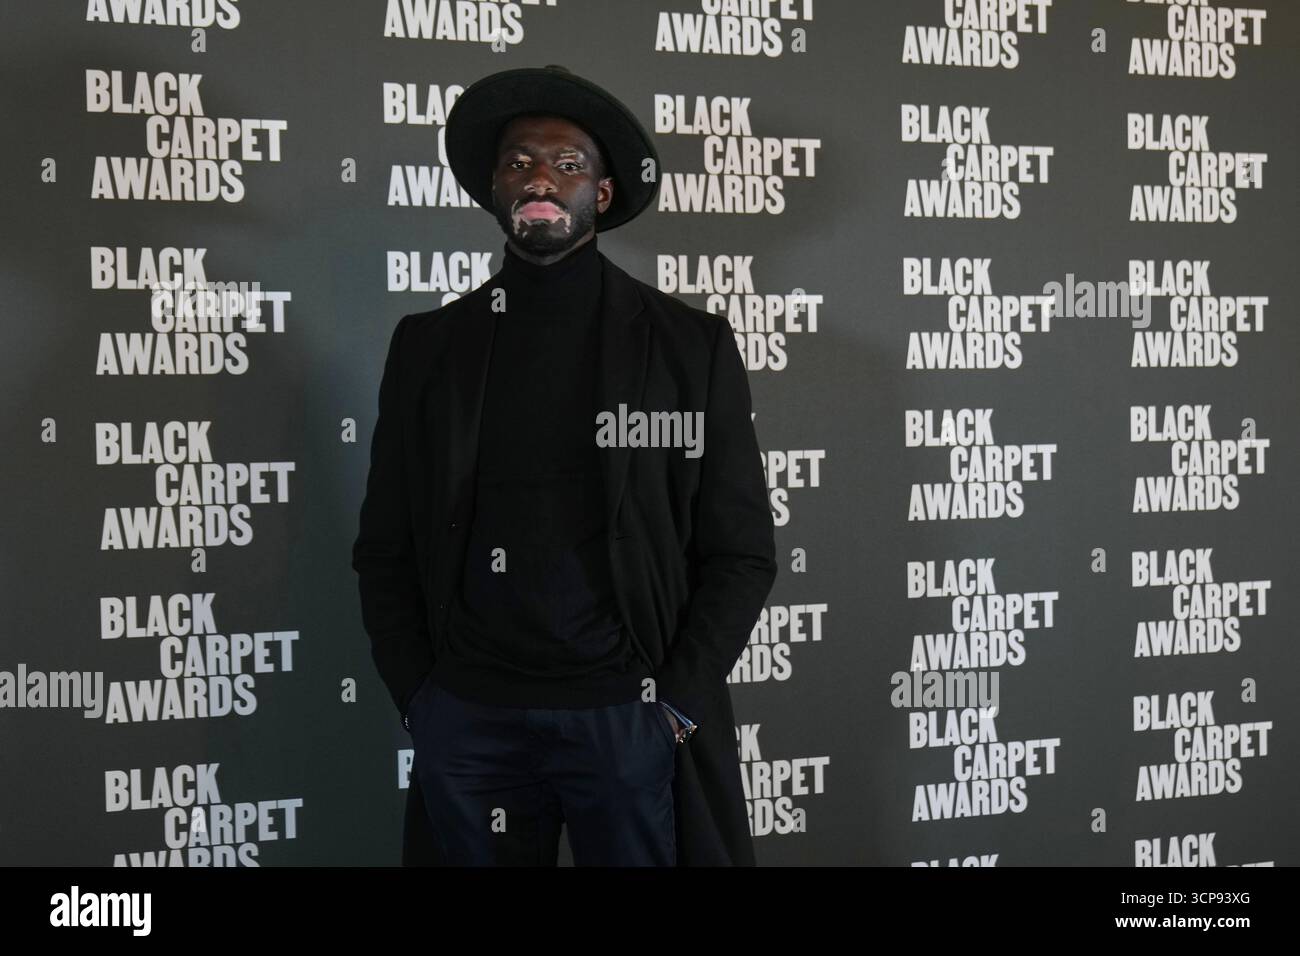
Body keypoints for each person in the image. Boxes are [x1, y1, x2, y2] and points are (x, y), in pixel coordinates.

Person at [352, 65, 776, 866]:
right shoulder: (428, 348)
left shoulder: (690, 347)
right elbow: (385, 545)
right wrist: (420, 696)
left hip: (628, 715)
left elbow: (743, 551)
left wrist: (675, 708)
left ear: (602, 196)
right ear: (495, 190)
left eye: (567, 163)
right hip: (470, 719)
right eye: (518, 161)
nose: (540, 175)